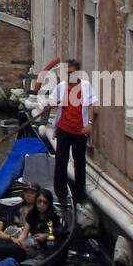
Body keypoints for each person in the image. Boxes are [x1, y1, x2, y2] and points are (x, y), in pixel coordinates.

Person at [50, 58, 98, 205]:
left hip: (80, 131)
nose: (68, 75)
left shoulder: (85, 86)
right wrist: (53, 102)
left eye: (71, 72)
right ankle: (61, 194)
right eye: (66, 73)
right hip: (63, 129)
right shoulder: (61, 87)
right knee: (60, 162)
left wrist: (90, 124)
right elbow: (52, 101)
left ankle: (80, 195)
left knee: (80, 163)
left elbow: (91, 105)